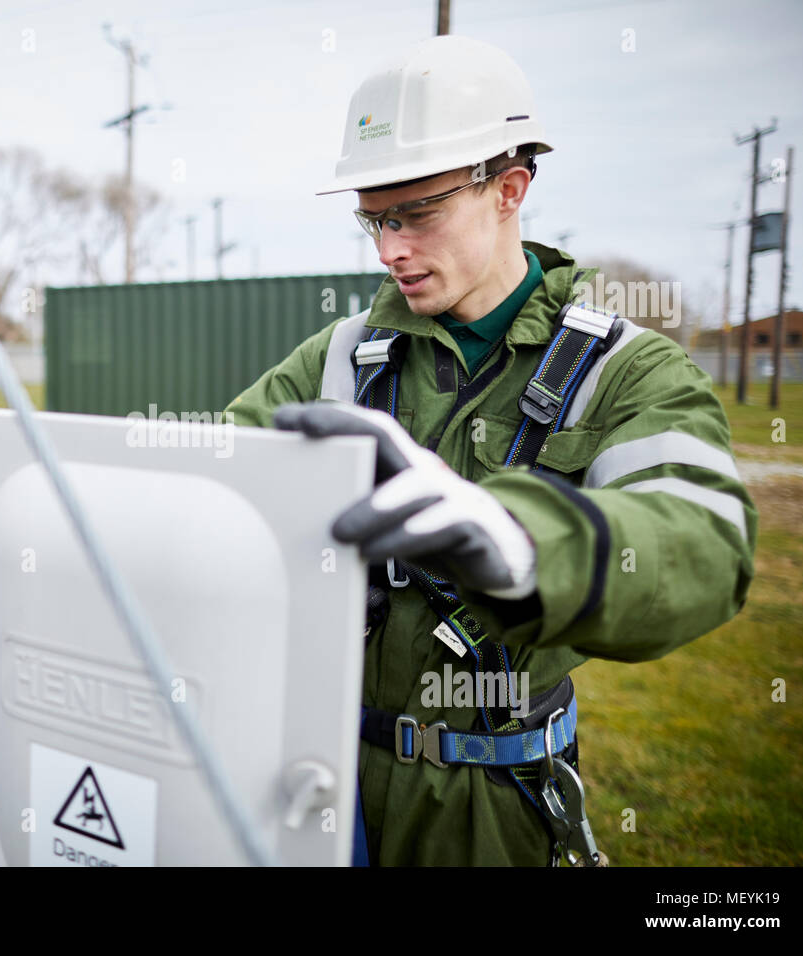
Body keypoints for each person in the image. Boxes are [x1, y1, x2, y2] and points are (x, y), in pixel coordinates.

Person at [222, 34, 757, 866]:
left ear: (509, 190)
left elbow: (705, 540)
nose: (388, 249)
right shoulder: (339, 357)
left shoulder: (628, 370)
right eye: (374, 217)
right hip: (323, 787)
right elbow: (210, 485)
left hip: (493, 808)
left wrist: (526, 544)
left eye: (418, 213)